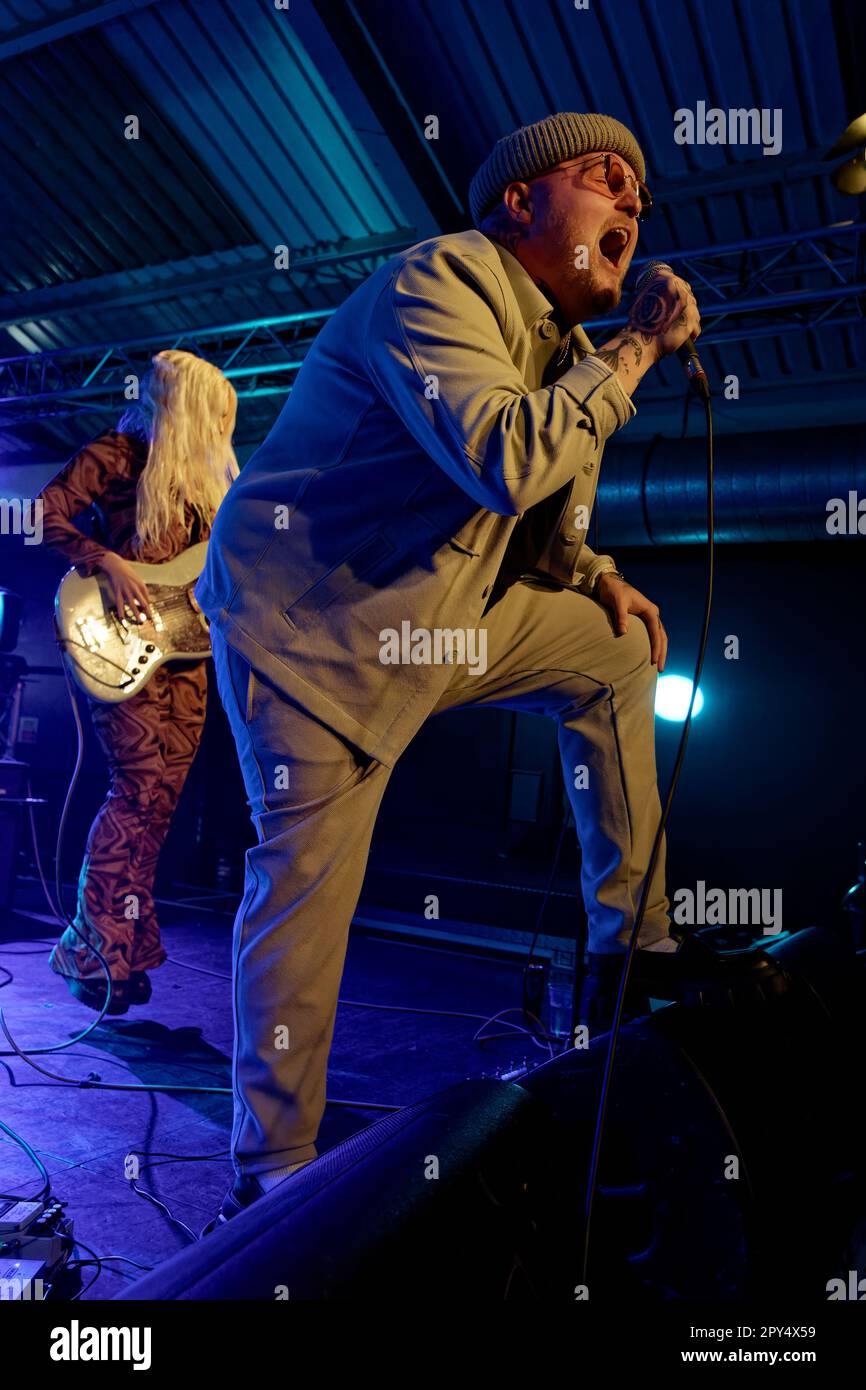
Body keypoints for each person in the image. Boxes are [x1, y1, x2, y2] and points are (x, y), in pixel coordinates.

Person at [195, 111, 703, 1226]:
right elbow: (507, 456)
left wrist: (594, 571)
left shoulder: (563, 348)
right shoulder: (438, 280)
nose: (629, 204)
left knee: (615, 648)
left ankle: (635, 960)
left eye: (637, 198)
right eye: (601, 179)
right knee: (305, 888)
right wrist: (636, 351)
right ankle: (271, 1173)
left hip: (432, 621)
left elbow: (546, 515)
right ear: (517, 201)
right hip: (307, 629)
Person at [38, 350, 238, 1013]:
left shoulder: (212, 487)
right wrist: (105, 560)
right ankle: (87, 949)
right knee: (136, 789)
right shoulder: (122, 451)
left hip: (187, 655)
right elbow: (45, 511)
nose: (220, 424)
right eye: (212, 409)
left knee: (159, 806)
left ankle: (124, 950)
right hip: (121, 640)